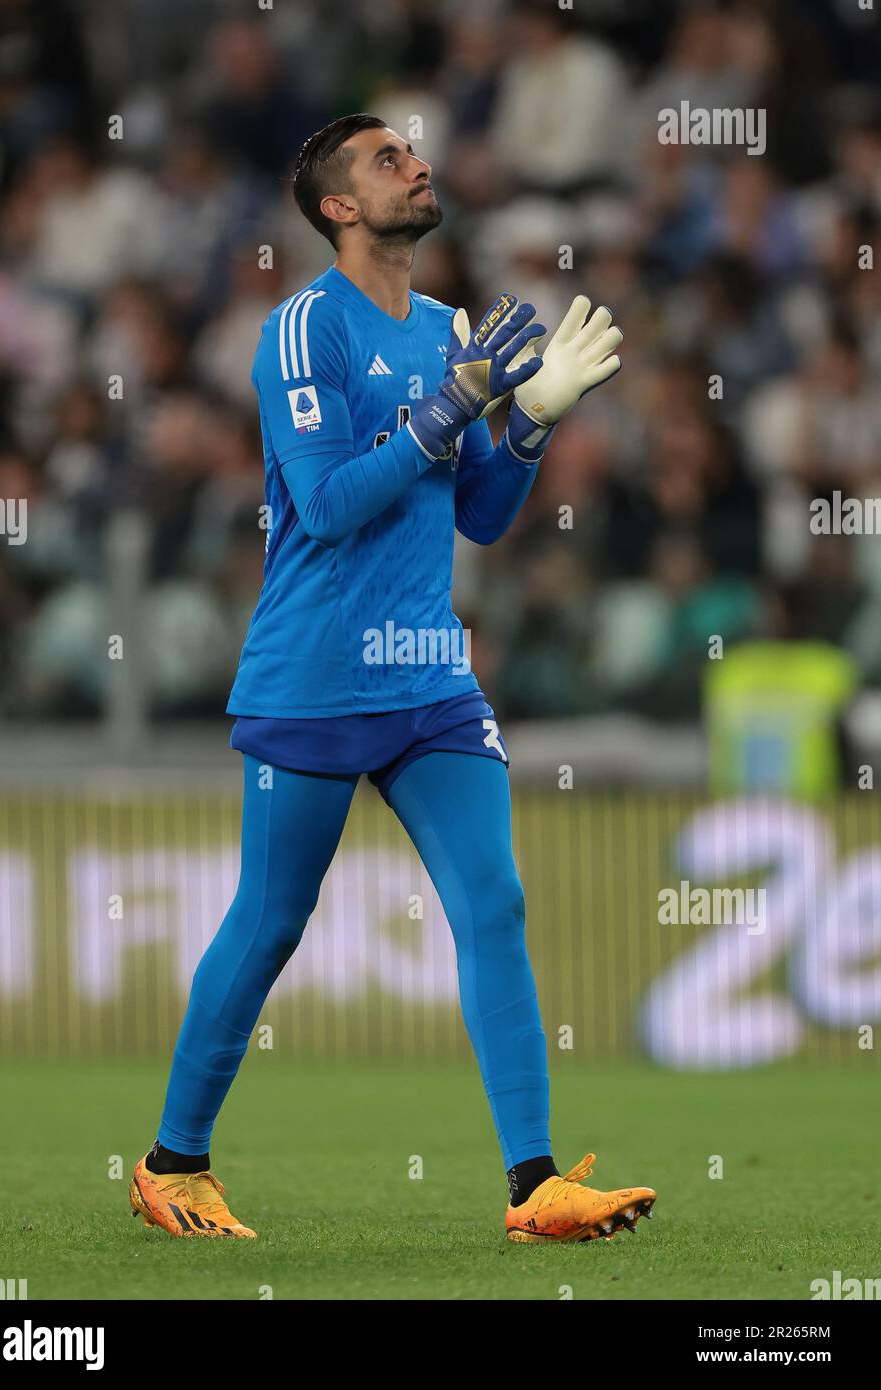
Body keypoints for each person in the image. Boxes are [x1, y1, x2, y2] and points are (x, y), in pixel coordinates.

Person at [129, 113, 655, 1243]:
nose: (415, 164)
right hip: (312, 676)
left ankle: (535, 1186)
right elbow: (323, 507)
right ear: (339, 209)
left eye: (412, 153)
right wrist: (454, 406)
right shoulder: (299, 330)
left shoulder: (444, 327)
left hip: (430, 679)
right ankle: (173, 1162)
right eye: (385, 160)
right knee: (271, 923)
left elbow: (477, 514)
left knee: (494, 904)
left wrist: (528, 425)